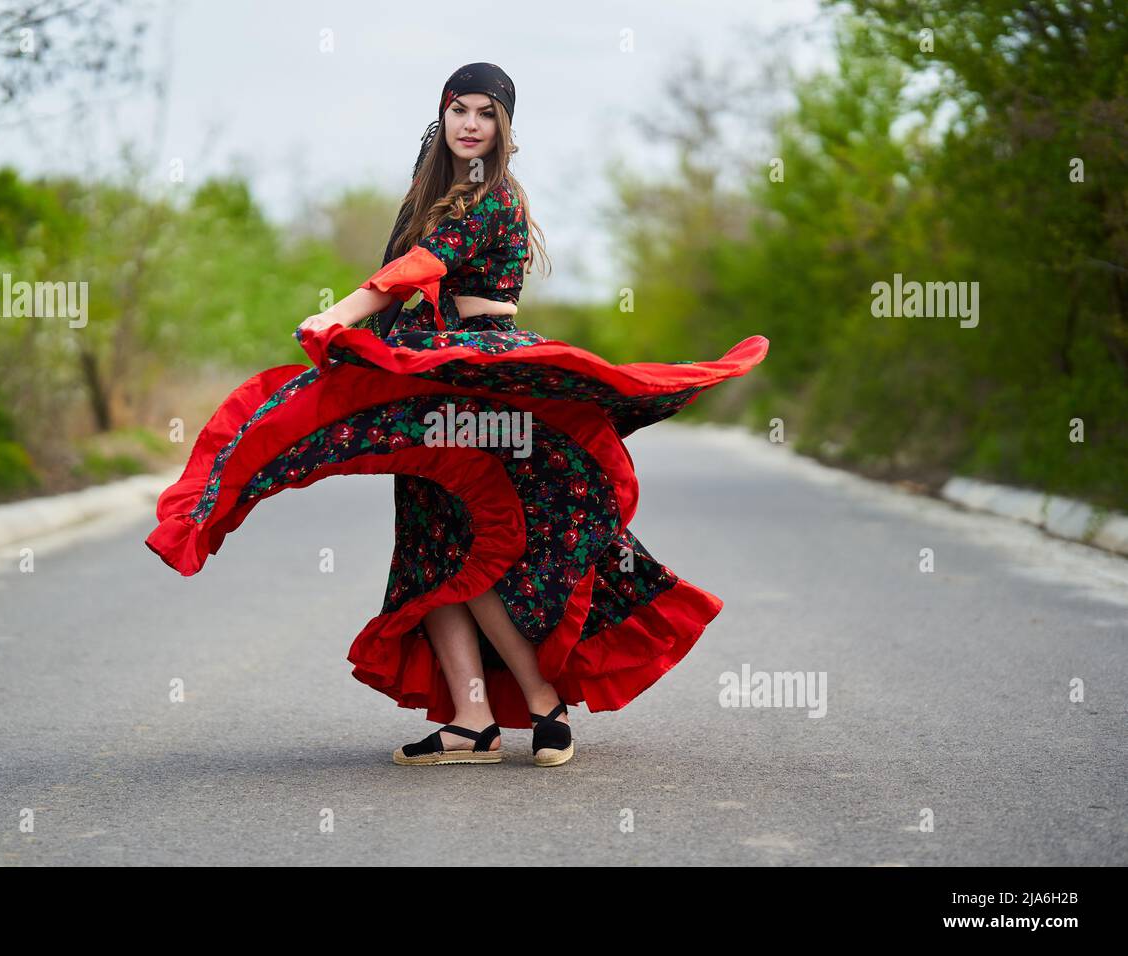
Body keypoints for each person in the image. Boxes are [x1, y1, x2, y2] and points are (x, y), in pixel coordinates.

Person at [145, 62, 769, 769]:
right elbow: (407, 268)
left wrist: (341, 311)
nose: (471, 123)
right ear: (441, 116)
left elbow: (422, 266)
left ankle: (542, 702)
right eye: (459, 110)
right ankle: (473, 719)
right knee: (428, 553)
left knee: (482, 552)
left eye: (487, 113)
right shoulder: (431, 193)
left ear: (505, 127)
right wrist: (361, 347)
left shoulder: (494, 196)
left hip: (486, 385)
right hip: (433, 380)